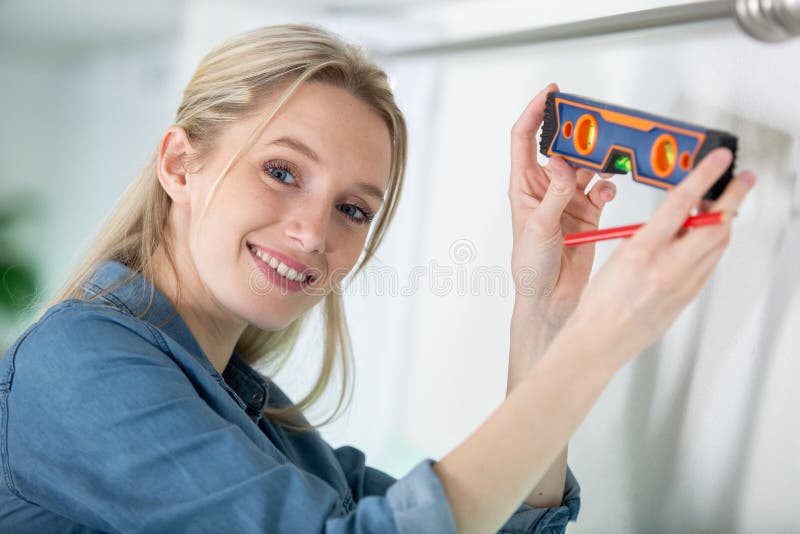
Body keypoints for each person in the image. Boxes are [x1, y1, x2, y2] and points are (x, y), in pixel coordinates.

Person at [0, 24, 755, 534]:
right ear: (178, 164)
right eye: (282, 170)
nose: (312, 232)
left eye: (354, 209)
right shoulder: (80, 365)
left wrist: (543, 319)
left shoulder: (253, 414)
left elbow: (488, 520)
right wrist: (599, 347)